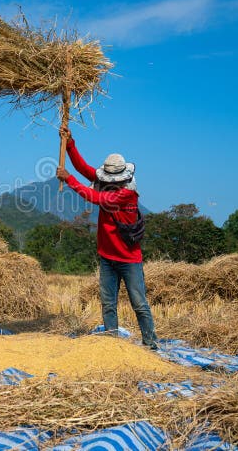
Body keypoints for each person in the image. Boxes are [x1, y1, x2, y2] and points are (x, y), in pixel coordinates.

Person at [56, 127, 159, 349]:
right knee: (108, 304)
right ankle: (112, 345)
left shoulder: (126, 193)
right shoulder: (109, 181)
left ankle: (151, 344)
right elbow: (86, 170)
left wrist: (70, 180)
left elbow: (96, 197)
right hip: (107, 256)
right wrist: (70, 144)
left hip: (128, 259)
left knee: (139, 303)